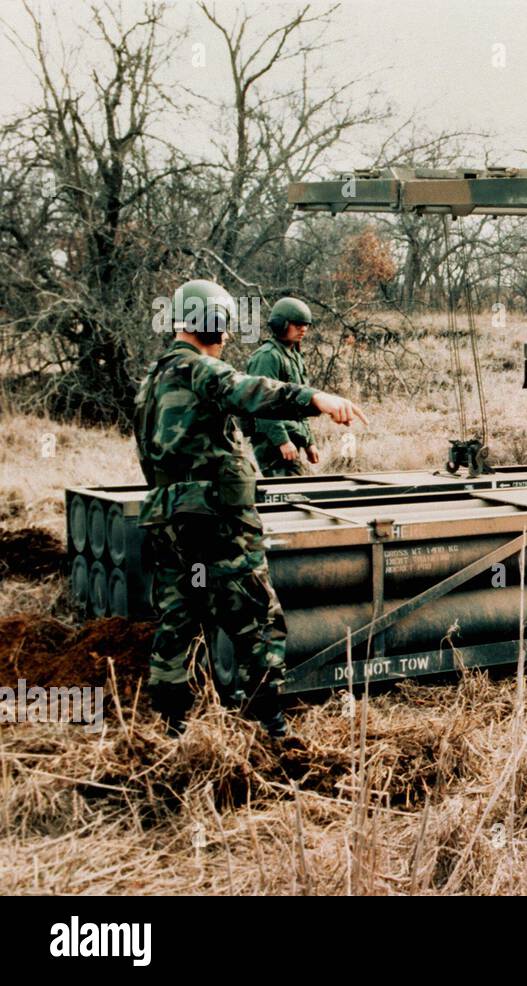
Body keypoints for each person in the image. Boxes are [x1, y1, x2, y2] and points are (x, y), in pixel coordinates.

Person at [133, 279, 367, 735]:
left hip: (167, 517)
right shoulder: (199, 369)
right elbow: (249, 391)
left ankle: (173, 724)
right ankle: (270, 723)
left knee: (177, 618)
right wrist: (316, 399)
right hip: (218, 517)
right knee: (257, 616)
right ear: (215, 323)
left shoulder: (151, 379)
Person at [245, 297, 319, 477]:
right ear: (281, 324)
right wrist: (282, 440)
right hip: (272, 440)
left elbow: (300, 405)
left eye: (306, 324)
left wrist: (309, 442)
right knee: (287, 493)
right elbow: (263, 403)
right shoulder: (267, 357)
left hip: (292, 437)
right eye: (297, 324)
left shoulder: (294, 356)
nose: (303, 329)